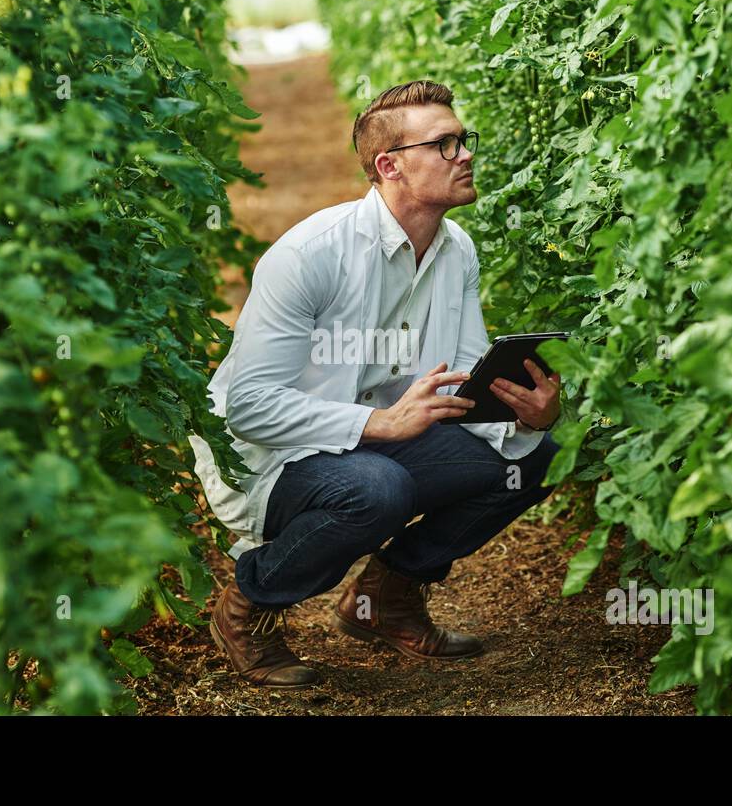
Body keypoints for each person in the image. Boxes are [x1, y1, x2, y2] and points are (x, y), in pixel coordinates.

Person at [188, 80, 562, 688]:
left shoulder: (455, 249)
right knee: (378, 488)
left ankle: (387, 597)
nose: (464, 154)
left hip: (381, 439)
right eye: (443, 145)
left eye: (462, 140)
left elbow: (461, 382)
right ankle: (249, 605)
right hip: (273, 457)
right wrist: (377, 423)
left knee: (536, 457)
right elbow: (247, 408)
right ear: (389, 165)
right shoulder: (310, 255)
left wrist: (524, 414)